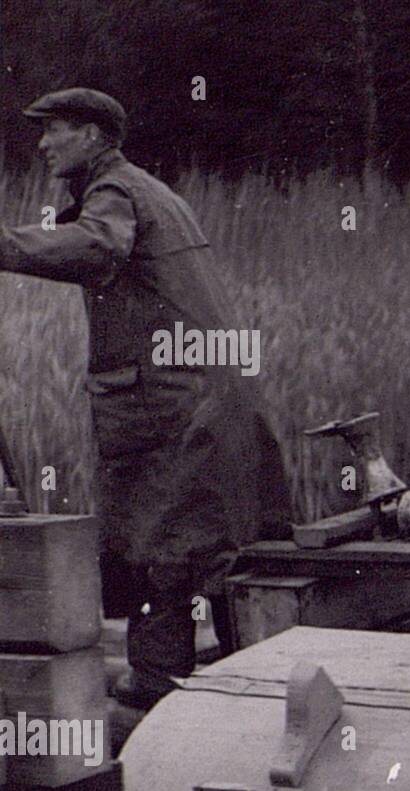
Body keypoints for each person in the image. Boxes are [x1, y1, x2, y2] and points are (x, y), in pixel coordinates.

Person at [0, 88, 292, 739]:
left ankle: (160, 698)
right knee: (210, 544)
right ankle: (245, 685)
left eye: (58, 130)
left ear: (97, 136)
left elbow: (98, 246)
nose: (44, 144)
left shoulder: (115, 196)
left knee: (156, 541)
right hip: (207, 393)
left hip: (171, 402)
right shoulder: (155, 192)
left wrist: (6, 246)